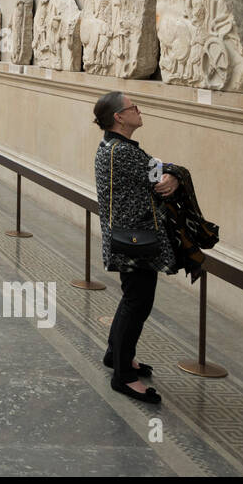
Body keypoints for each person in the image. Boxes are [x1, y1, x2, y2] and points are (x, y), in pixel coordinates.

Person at [93, 91, 179, 405]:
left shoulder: (115, 147)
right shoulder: (122, 151)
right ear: (119, 116)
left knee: (133, 300)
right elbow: (158, 174)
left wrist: (170, 174)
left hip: (127, 237)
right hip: (135, 241)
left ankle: (116, 355)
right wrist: (174, 177)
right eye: (133, 108)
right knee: (137, 303)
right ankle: (124, 377)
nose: (138, 111)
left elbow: (157, 169)